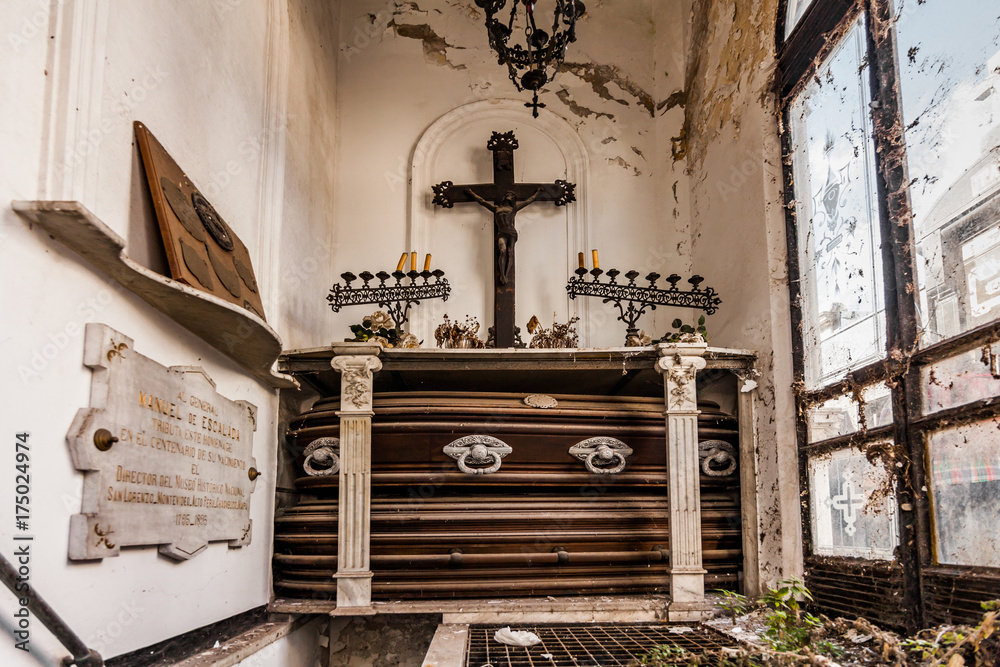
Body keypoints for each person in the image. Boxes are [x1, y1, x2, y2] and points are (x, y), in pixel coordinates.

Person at [466, 188, 542, 284]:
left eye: (512, 196)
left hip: (511, 232)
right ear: (505, 197)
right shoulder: (496, 208)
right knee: (502, 251)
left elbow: (528, 201)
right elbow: (482, 201)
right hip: (501, 232)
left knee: (510, 252)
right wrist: (471, 192)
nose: (510, 196)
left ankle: (506, 275)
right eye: (508, 195)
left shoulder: (513, 209)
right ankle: (502, 275)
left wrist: (538, 192)